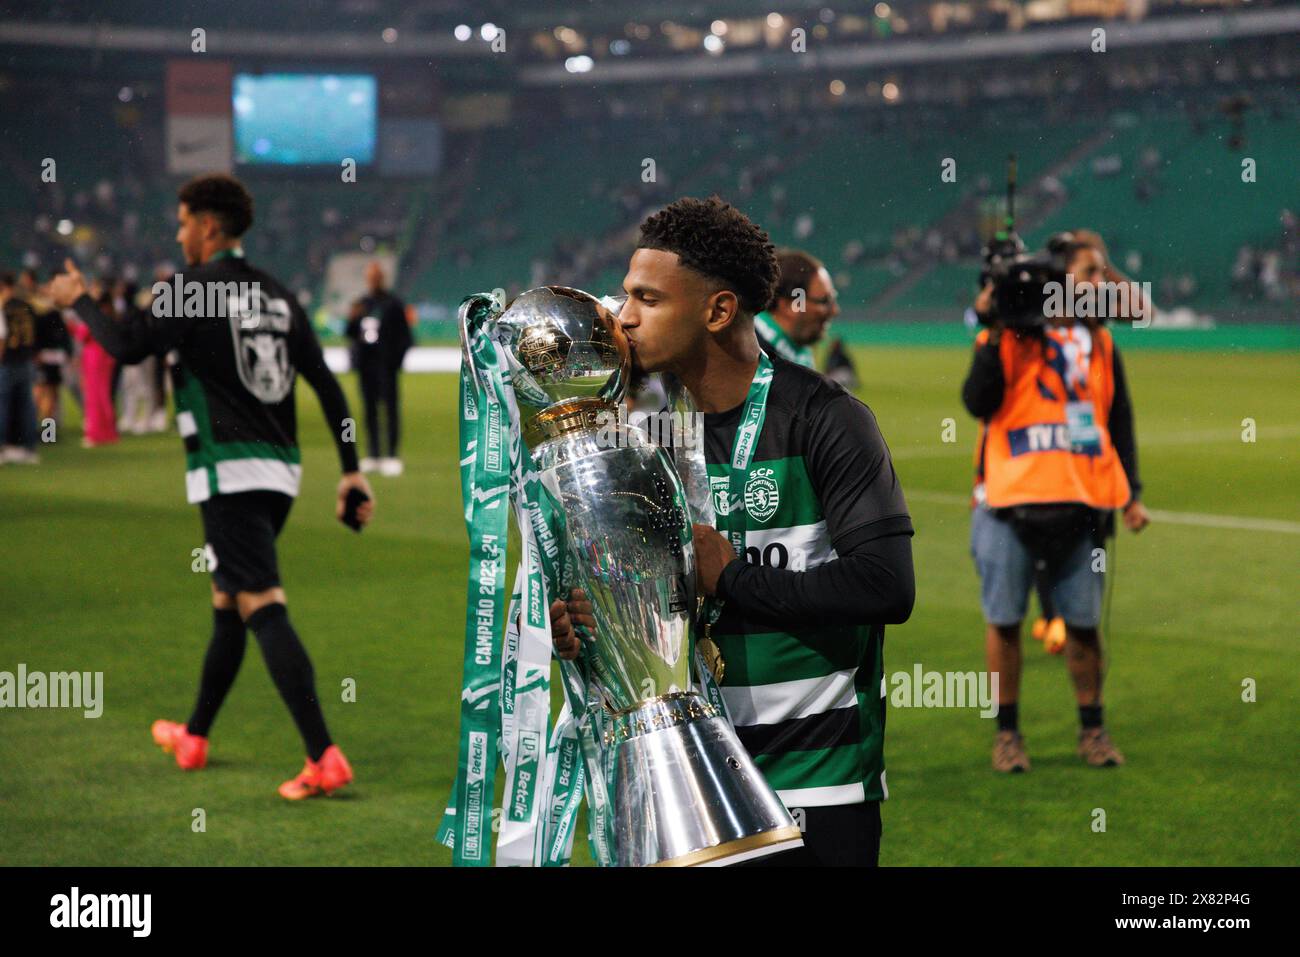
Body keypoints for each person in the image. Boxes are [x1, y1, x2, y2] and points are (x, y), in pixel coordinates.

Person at [551, 197, 915, 866]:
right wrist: (592, 626)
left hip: (818, 781)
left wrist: (735, 575)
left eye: (647, 298)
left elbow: (886, 586)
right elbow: (655, 610)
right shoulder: (642, 441)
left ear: (717, 311)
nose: (623, 317)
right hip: (690, 772)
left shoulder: (826, 420)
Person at [50, 173, 375, 800]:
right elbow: (329, 388)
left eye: (181, 223)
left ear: (206, 226)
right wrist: (352, 468)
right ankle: (194, 736)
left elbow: (124, 346)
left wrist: (78, 300)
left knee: (260, 603)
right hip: (280, 474)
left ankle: (323, 754)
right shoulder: (278, 295)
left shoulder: (190, 291)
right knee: (229, 602)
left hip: (228, 471)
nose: (178, 234)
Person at [961, 234, 1150, 774]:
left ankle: (1093, 730)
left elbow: (1120, 418)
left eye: (1100, 274)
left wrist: (1131, 492)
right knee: (1005, 621)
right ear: (1057, 281)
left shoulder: (1100, 339)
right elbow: (976, 400)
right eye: (1088, 272)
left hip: (1083, 497)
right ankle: (1008, 735)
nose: (1098, 281)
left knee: (1085, 624)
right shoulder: (1012, 327)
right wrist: (995, 326)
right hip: (1007, 496)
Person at [346, 262, 412, 476]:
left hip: (386, 367)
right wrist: (353, 318)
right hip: (367, 367)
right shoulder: (362, 304)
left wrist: (395, 361)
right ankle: (373, 454)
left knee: (390, 410)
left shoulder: (393, 304)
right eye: (370, 277)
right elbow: (350, 334)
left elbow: (405, 337)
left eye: (376, 277)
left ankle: (391, 455)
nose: (373, 281)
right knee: (369, 411)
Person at [753, 248, 839, 368]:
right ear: (791, 305)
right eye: (824, 301)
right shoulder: (752, 362)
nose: (835, 310)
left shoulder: (790, 354)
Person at [0, 273, 41, 463]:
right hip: (26, 360)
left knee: (3, 405)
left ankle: (3, 447)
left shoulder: (4, 306)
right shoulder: (27, 306)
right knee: (27, 406)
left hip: (7, 360)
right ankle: (29, 448)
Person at [72, 289, 121, 448]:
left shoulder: (96, 317)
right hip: (106, 357)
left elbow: (82, 334)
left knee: (93, 396)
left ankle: (95, 433)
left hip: (94, 357)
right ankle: (108, 431)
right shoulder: (112, 316)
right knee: (104, 395)